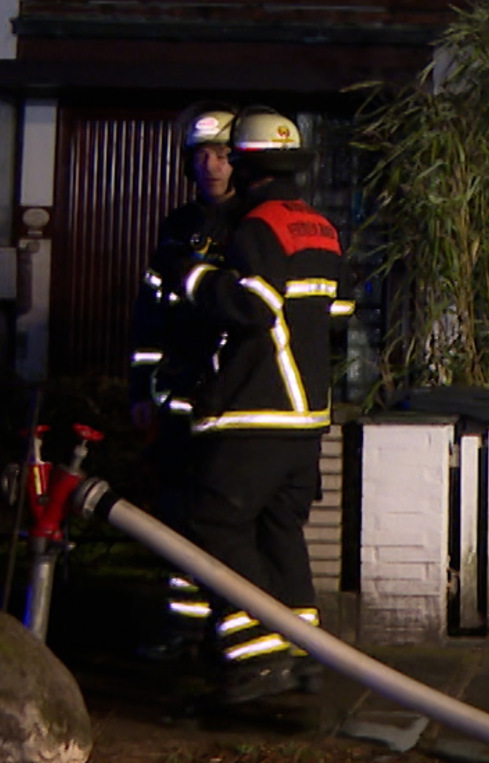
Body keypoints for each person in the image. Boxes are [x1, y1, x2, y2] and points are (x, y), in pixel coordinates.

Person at [160, 106, 353, 704]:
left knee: (213, 522)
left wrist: (191, 276)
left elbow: (250, 306)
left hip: (256, 410)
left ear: (245, 166)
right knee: (278, 531)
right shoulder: (319, 228)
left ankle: (259, 654)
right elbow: (335, 316)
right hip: (306, 414)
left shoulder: (257, 227)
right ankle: (303, 652)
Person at [129, 102, 243, 660]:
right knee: (175, 510)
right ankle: (183, 626)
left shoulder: (251, 225)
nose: (211, 166)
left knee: (217, 511)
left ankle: (226, 627)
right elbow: (150, 315)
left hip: (230, 396)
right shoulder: (178, 226)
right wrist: (140, 390)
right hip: (176, 391)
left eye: (222, 154)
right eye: (202, 155)